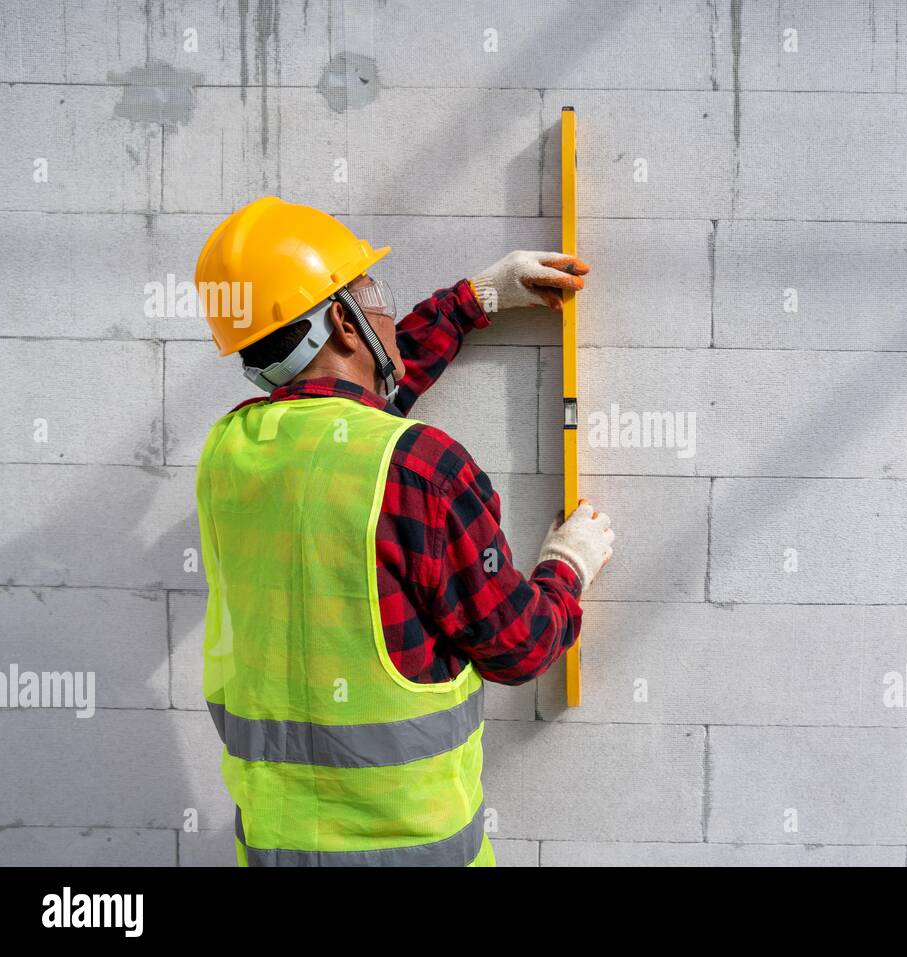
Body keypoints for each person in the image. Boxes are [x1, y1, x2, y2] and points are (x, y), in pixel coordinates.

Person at [193, 196, 615, 866]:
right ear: (343, 321)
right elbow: (521, 647)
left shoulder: (229, 453)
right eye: (375, 295)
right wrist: (568, 565)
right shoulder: (424, 468)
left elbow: (344, 414)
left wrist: (474, 299)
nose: (387, 307)